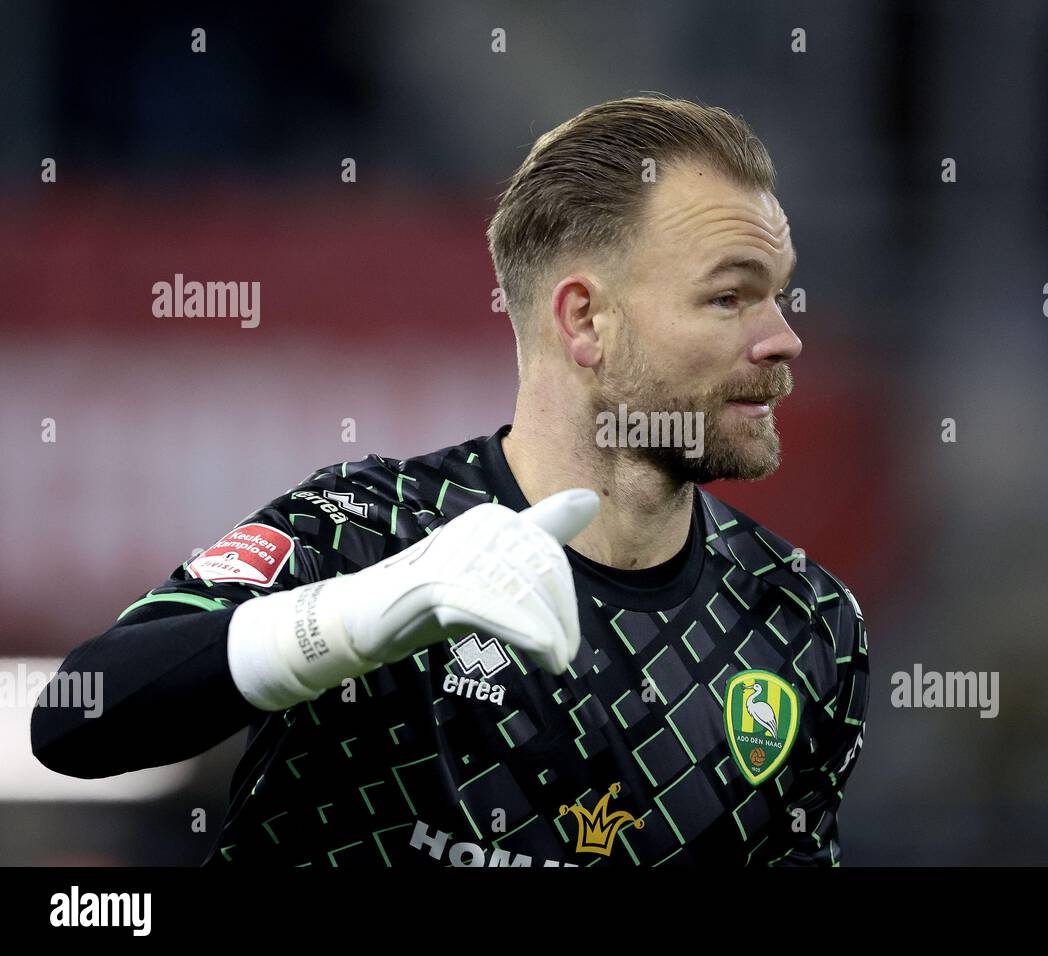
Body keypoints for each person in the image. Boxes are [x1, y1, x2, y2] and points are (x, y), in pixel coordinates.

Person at [32, 94, 870, 866]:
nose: (782, 338)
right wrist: (357, 620)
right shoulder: (369, 528)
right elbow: (77, 716)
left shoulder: (806, 625)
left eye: (780, 297)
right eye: (731, 298)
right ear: (585, 320)